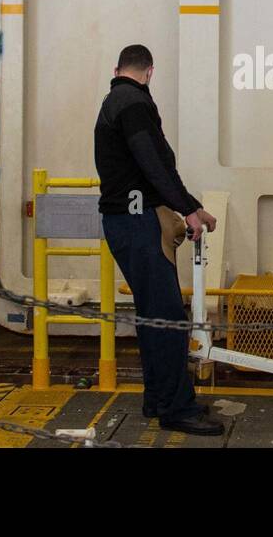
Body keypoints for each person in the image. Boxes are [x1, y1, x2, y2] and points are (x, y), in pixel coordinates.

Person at [94, 44, 223, 436]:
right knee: (167, 317)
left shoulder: (115, 100)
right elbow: (154, 163)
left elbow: (154, 167)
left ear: (118, 68)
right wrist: (186, 210)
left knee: (154, 315)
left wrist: (191, 205)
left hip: (127, 222)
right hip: (138, 224)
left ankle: (159, 398)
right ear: (150, 72)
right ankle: (176, 408)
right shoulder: (133, 103)